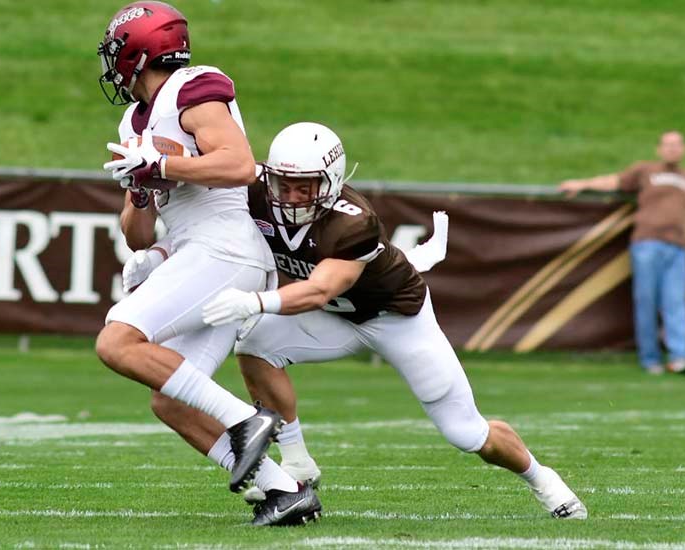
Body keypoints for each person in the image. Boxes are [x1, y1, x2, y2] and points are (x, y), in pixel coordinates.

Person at [150, 122, 588, 520]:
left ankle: (542, 479)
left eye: (307, 186)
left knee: (465, 433)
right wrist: (159, 253)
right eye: (285, 183)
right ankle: (297, 462)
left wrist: (255, 301)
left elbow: (320, 289)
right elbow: (209, 231)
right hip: (333, 320)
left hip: (395, 318)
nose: (293, 196)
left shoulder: (353, 222)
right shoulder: (256, 192)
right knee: (255, 346)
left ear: (333, 181)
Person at [94, 2, 320, 526]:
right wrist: (142, 189)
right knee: (170, 400)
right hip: (201, 251)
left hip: (227, 247)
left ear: (137, 51)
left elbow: (240, 165)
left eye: (116, 53)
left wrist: (162, 163)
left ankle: (246, 419)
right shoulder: (134, 119)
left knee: (116, 340)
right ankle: (283, 492)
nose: (112, 66)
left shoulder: (194, 85)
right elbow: (136, 234)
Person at [558, 131, 685, 374]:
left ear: (684, 150)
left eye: (677, 145)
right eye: (668, 144)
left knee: (675, 303)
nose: (673, 149)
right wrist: (583, 183)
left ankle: (680, 358)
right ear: (659, 149)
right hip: (647, 245)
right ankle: (650, 360)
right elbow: (614, 181)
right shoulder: (646, 171)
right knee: (646, 302)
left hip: (677, 248)